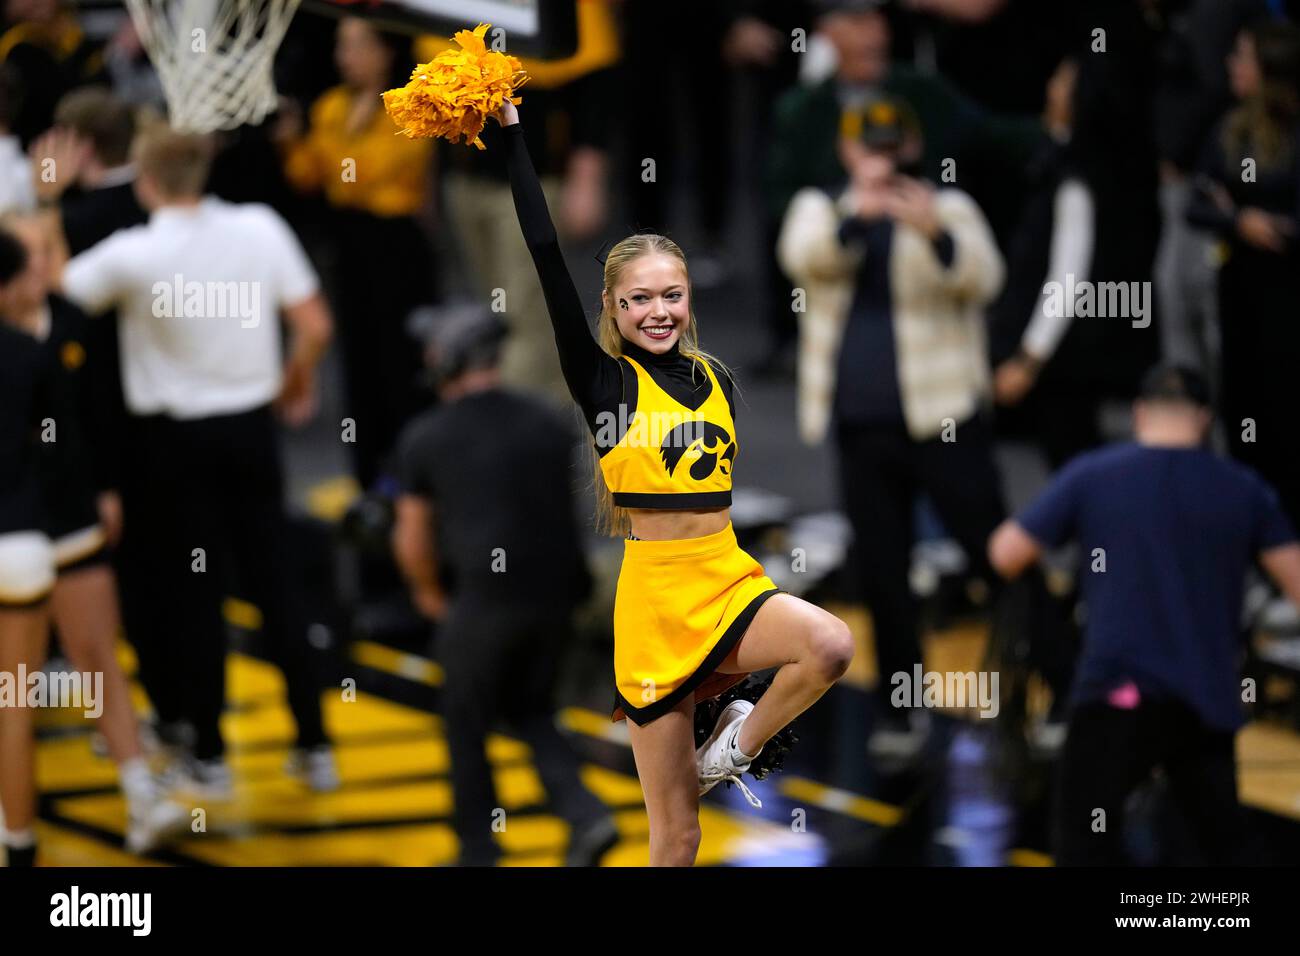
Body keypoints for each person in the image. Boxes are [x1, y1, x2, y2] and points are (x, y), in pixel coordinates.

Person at [498, 97, 855, 866]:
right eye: (639, 299)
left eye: (671, 295)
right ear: (613, 307)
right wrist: (512, 132)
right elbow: (542, 245)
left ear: (688, 297)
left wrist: (738, 732)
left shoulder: (716, 375)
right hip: (656, 601)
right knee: (678, 835)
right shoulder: (603, 382)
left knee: (828, 645)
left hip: (724, 579)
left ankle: (733, 747)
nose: (658, 311)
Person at [57, 123, 338, 795]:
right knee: (277, 584)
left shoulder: (133, 252)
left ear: (146, 183)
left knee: (196, 595)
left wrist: (50, 195)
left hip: (173, 445)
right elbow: (317, 326)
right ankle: (315, 744)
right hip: (252, 432)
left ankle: (209, 755)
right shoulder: (261, 226)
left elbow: (48, 287)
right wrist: (297, 373)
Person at [988, 364, 1300, 865]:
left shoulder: (1093, 474)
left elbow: (1005, 553)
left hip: (1116, 693)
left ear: (1139, 414)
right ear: (1203, 420)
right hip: (1205, 701)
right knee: (1228, 850)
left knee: (1082, 843)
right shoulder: (1243, 488)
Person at [777, 95, 1006, 757]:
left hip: (945, 423)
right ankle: (901, 714)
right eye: (867, 149)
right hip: (861, 425)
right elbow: (804, 257)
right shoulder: (822, 209)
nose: (880, 160)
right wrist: (858, 219)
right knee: (883, 574)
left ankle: (1056, 682)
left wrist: (933, 232)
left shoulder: (950, 208)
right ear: (850, 151)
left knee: (996, 553)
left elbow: (985, 279)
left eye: (890, 148)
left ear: (908, 148)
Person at [392, 306, 618, 867]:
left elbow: (412, 536)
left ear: (447, 362)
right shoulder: (547, 420)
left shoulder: (426, 436)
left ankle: (477, 848)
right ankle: (586, 816)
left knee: (466, 721)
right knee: (533, 708)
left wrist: (428, 596)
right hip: (556, 599)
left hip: (483, 605)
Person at [1, 215, 188, 856]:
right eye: (26, 257)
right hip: (14, 523)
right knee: (14, 688)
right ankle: (17, 829)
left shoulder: (76, 323)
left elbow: (101, 417)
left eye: (47, 252)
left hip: (72, 512)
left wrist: (106, 487)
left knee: (97, 652)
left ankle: (140, 793)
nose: (40, 267)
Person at [276, 15, 437, 487]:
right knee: (359, 357)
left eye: (358, 46)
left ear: (387, 51)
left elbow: (373, 170)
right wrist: (292, 144)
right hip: (350, 243)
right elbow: (308, 176)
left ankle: (415, 476)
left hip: (398, 245)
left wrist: (333, 148)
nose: (345, 57)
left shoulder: (414, 106)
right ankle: (370, 478)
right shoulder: (330, 106)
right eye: (341, 47)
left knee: (402, 360)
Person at [1187, 18, 1300, 524]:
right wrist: (1239, 218)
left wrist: (1265, 222)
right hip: (1242, 295)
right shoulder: (1231, 129)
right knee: (1244, 412)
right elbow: (1197, 202)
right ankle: (1258, 537)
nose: (1232, 66)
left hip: (1289, 300)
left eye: (1243, 58)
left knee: (1285, 414)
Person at [0, 227, 55, 867]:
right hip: (20, 542)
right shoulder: (29, 355)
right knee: (15, 707)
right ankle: (20, 849)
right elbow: (54, 449)